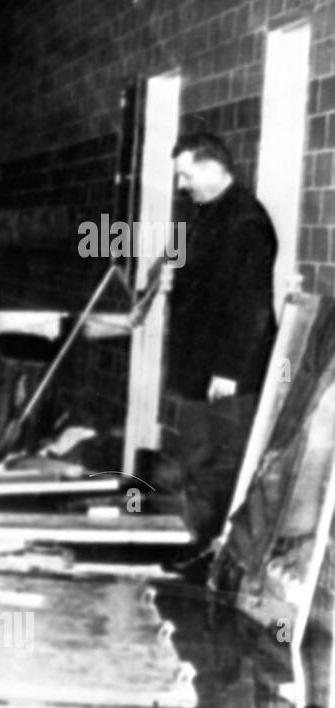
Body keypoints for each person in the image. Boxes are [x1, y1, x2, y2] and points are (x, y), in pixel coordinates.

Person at [158, 132, 277, 544]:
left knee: (219, 463)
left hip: (225, 375)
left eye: (187, 175)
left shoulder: (247, 221)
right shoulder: (205, 215)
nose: (182, 185)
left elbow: (250, 307)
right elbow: (205, 280)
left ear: (213, 169)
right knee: (197, 459)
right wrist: (178, 278)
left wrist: (227, 372)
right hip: (198, 365)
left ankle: (208, 548)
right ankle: (195, 539)